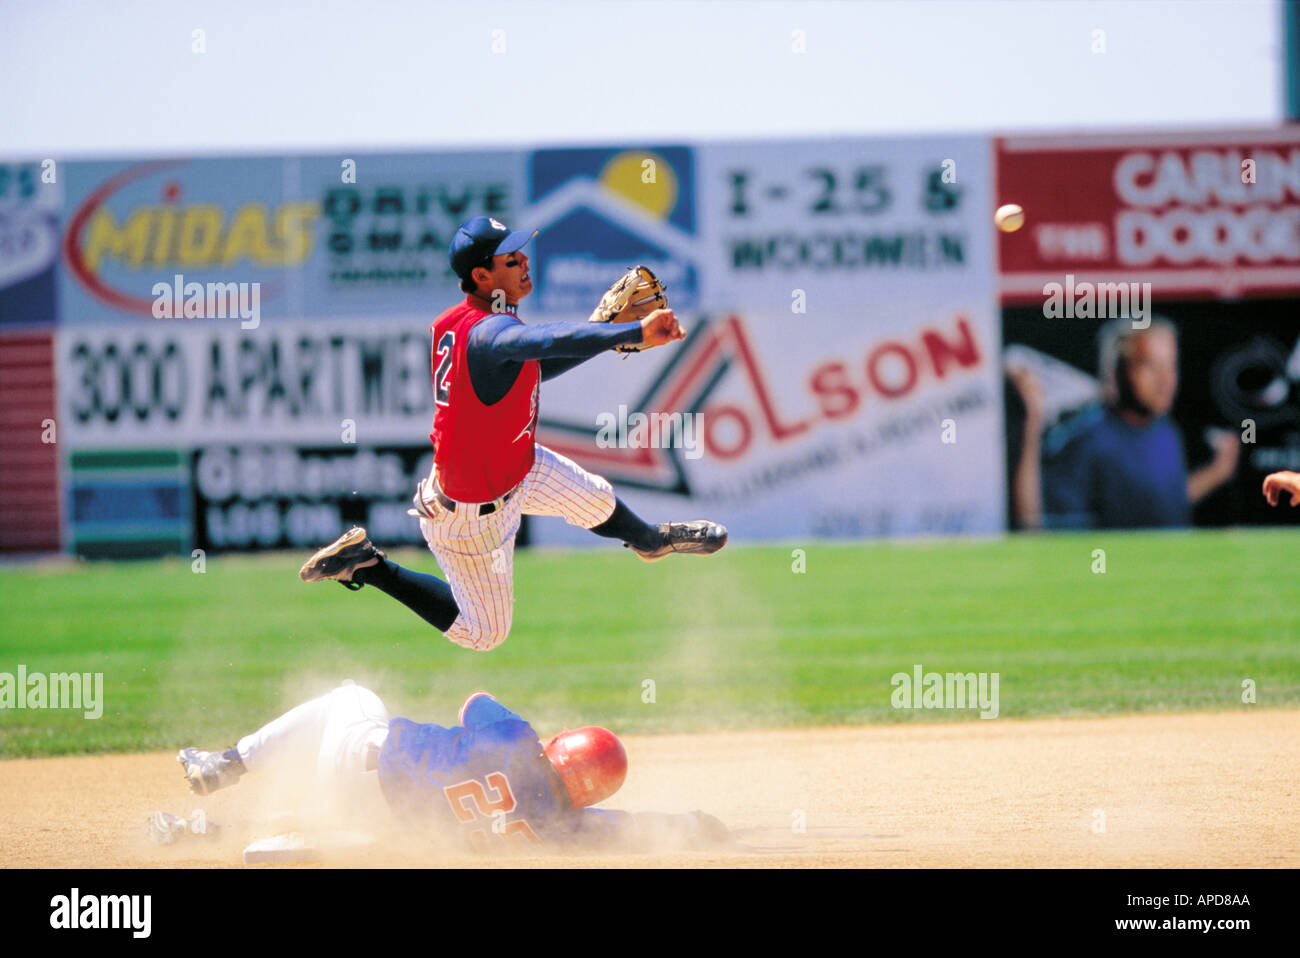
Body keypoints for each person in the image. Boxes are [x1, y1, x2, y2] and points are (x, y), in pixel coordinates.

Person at [298, 216, 727, 651]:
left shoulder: (462, 323)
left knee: (594, 497)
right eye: (510, 258)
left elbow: (534, 366)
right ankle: (368, 565)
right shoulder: (489, 332)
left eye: (521, 251)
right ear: (483, 276)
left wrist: (600, 333)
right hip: (470, 513)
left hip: (517, 468)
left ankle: (651, 540)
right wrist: (628, 331)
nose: (524, 261)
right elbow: (541, 341)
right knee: (484, 634)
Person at [174, 682, 730, 853]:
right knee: (392, 842)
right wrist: (690, 823)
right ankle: (214, 837)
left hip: (360, 763)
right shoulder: (568, 828)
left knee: (351, 694)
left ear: (563, 746)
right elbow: (633, 828)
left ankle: (225, 764)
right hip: (385, 820)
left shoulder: (516, 739)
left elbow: (473, 699)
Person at [1009, 318, 1239, 530]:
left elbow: (1163, 502)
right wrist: (1032, 425)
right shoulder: (1084, 443)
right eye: (1150, 366)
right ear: (1116, 372)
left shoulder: (1165, 430)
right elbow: (1039, 529)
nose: (1165, 380)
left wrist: (1218, 471)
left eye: (1170, 366)